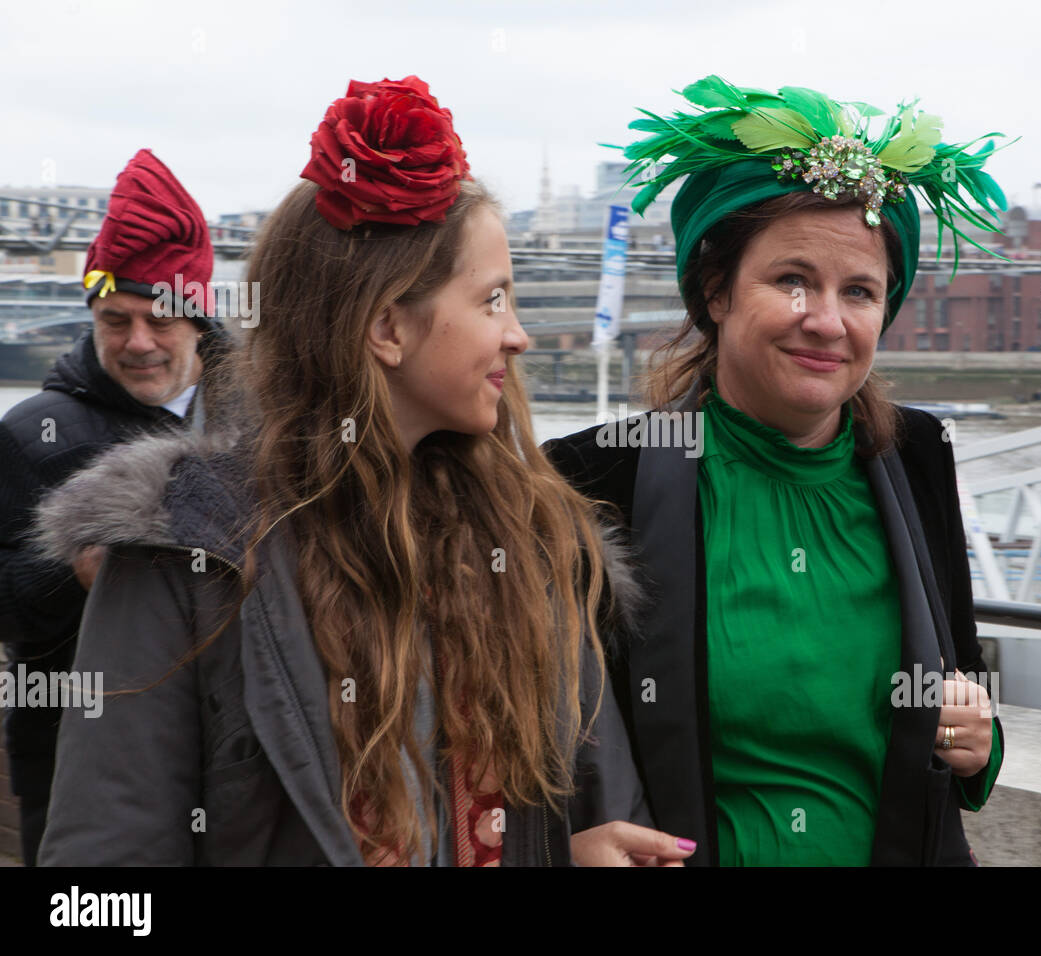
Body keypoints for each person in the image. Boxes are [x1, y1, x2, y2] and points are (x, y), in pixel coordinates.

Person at [34, 76, 692, 866]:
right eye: (492, 300)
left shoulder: (536, 544)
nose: (517, 336)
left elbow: (571, 808)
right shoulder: (184, 554)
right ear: (386, 326)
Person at [545, 76, 1011, 865]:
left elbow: (957, 689)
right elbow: (523, 749)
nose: (826, 321)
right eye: (792, 280)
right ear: (716, 291)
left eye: (859, 291)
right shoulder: (594, 477)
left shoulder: (917, 456)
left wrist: (979, 741)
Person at [0, 149, 230, 866]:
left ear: (200, 316)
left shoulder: (273, 425)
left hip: (238, 761)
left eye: (160, 319)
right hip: (83, 768)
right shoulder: (33, 436)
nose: (136, 343)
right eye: (114, 319)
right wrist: (74, 574)